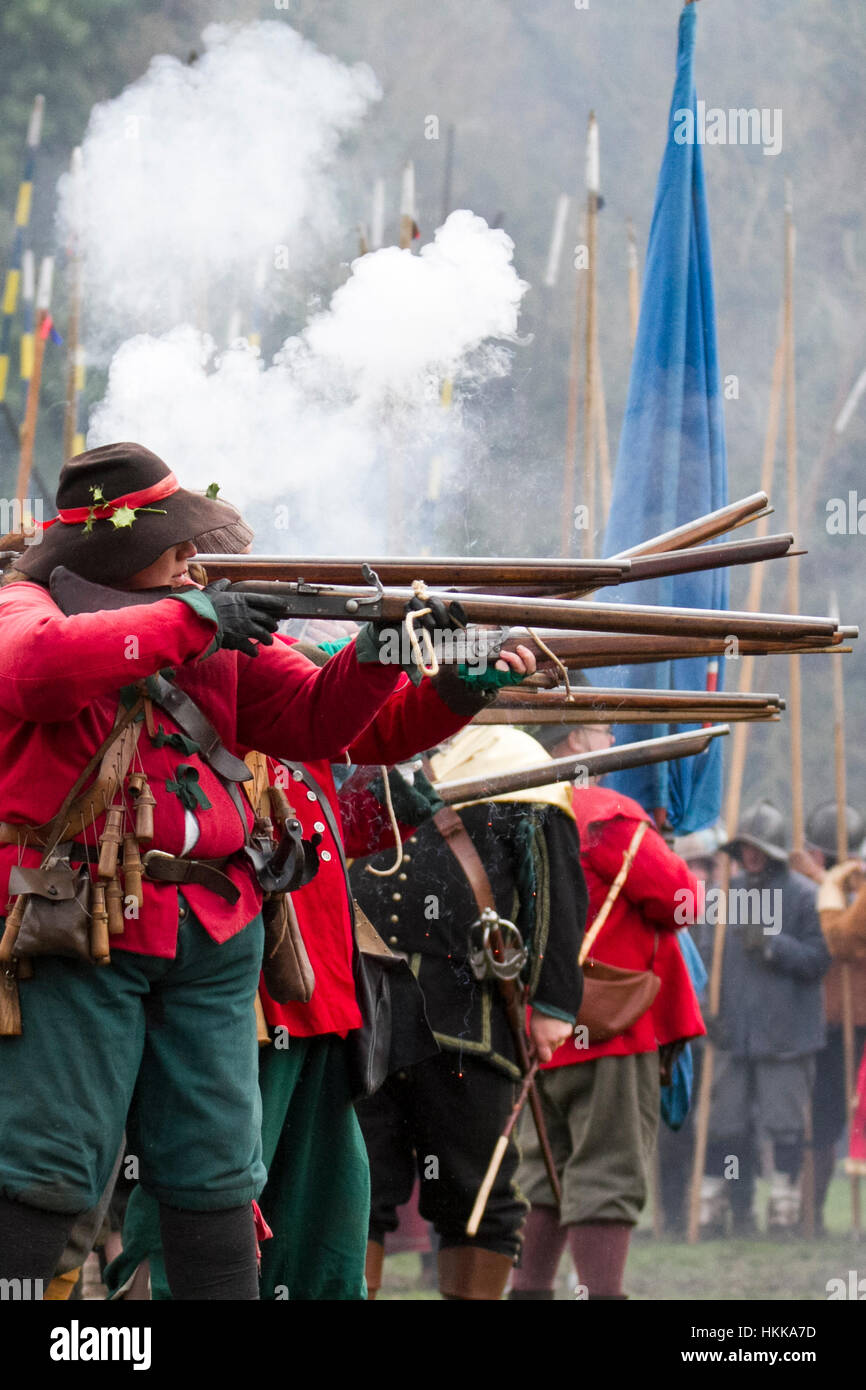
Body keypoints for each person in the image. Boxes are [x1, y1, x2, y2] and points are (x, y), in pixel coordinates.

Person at [0, 442, 465, 1299]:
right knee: (49, 1169)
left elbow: (324, 722)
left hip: (214, 928)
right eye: (177, 547)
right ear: (115, 550)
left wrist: (390, 659)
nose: (194, 561)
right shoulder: (24, 606)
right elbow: (34, 670)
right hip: (79, 923)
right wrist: (192, 620)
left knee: (217, 1173)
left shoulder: (203, 619)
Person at [352, 722, 586, 1300]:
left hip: (467, 1016)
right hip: (365, 1011)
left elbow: (552, 892)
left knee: (476, 1193)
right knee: (356, 1184)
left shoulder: (518, 761)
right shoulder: (365, 735)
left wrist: (554, 1004)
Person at [510, 721, 704, 1299]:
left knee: (543, 1174)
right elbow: (682, 903)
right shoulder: (605, 814)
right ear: (570, 741)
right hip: (611, 1027)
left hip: (535, 1028)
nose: (611, 743)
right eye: (599, 731)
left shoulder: (504, 809)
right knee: (607, 1173)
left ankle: (530, 1292)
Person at [700, 800, 830, 1236]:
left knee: (786, 1125)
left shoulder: (804, 896)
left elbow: (819, 961)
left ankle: (784, 1207)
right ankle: (732, 1207)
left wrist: (774, 945)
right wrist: (706, 1012)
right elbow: (703, 961)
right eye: (745, 848)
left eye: (758, 848)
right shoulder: (723, 896)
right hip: (732, 1032)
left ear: (773, 849)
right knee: (727, 1126)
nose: (751, 855)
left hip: (786, 1033)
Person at [792, 802, 866, 1232]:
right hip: (818, 1022)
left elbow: (844, 939)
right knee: (817, 1120)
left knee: (830, 1119)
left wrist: (824, 882)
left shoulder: (839, 890)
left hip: (852, 1024)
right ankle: (805, 1214)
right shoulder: (800, 889)